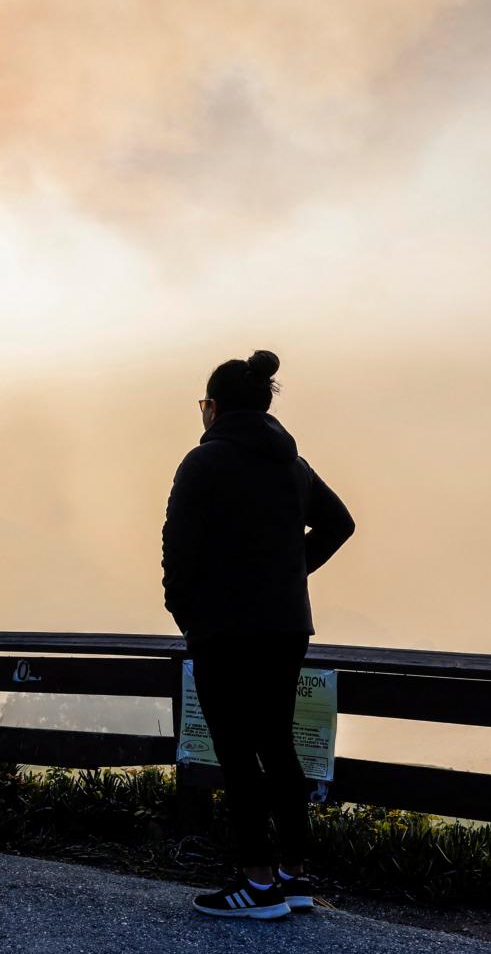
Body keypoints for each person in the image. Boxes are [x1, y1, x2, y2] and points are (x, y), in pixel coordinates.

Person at [162, 349, 355, 919]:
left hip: (224, 630)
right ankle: (292, 877)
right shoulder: (290, 465)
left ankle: (257, 883)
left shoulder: (204, 464)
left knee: (237, 755)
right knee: (278, 746)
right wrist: (290, 573)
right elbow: (339, 523)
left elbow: (178, 555)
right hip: (286, 626)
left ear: (214, 407)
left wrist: (189, 617)